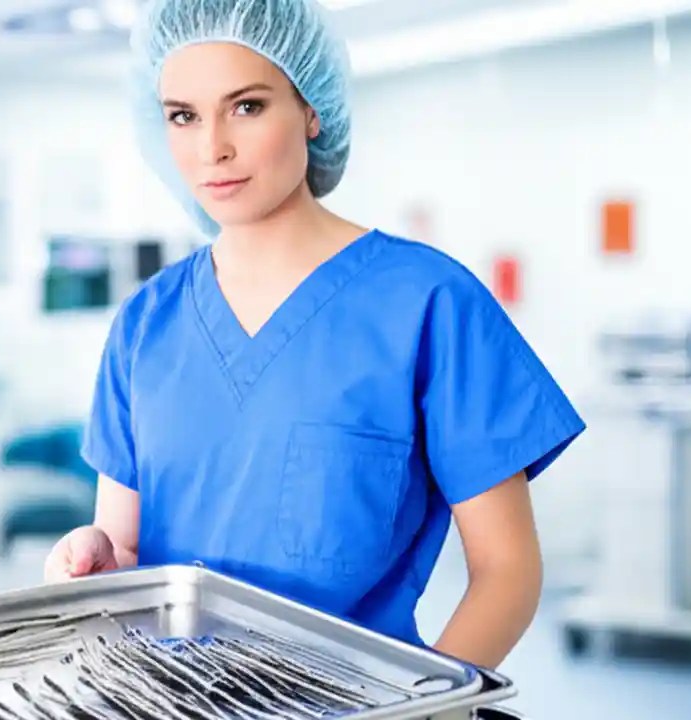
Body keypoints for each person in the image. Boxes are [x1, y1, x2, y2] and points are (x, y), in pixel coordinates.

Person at [42, 0, 586, 670]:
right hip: (167, 698)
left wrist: (419, 710)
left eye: (246, 106)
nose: (212, 146)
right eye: (183, 115)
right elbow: (126, 555)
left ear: (311, 109)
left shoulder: (427, 304)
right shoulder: (144, 324)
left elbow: (507, 575)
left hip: (358, 705)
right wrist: (91, 558)